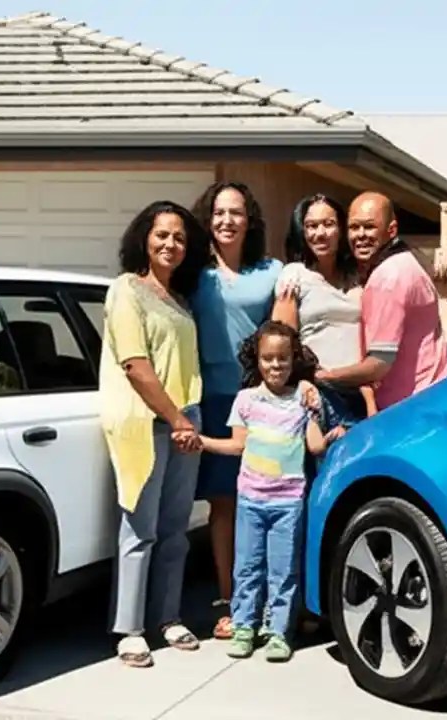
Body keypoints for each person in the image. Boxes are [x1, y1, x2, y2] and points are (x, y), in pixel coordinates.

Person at [100, 199, 211, 669]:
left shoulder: (180, 301)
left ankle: (168, 617)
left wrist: (188, 420)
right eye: (163, 234)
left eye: (180, 237)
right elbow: (136, 366)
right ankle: (129, 628)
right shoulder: (127, 290)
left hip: (186, 421)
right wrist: (177, 419)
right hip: (146, 424)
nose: (171, 243)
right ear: (144, 237)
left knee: (175, 530)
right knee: (139, 530)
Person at [197, 321, 333, 662]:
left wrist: (333, 435)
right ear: (256, 360)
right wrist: (202, 442)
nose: (275, 365)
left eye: (283, 359)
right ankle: (244, 627)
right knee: (247, 566)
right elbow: (237, 445)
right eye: (268, 358)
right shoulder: (245, 400)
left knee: (284, 569)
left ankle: (278, 631)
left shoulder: (303, 399)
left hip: (288, 502)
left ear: (294, 359)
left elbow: (314, 446)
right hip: (251, 500)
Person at [189, 181, 284, 639]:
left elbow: (285, 333)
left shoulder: (272, 271)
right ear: (209, 219)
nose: (227, 220)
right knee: (224, 505)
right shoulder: (194, 274)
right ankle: (230, 600)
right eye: (219, 212)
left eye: (237, 212)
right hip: (212, 400)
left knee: (265, 501)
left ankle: (271, 600)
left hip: (260, 400)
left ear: (251, 220)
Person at [316, 191, 447, 409]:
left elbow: (379, 364)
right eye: (354, 227)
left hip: (411, 406)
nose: (360, 235)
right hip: (436, 393)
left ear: (391, 230)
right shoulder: (408, 262)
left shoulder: (388, 277)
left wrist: (326, 377)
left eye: (369, 226)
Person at [272, 194, 377, 429]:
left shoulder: (359, 276)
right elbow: (281, 340)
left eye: (328, 224)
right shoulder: (295, 275)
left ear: (341, 229)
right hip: (319, 392)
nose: (319, 233)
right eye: (311, 226)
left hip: (363, 392)